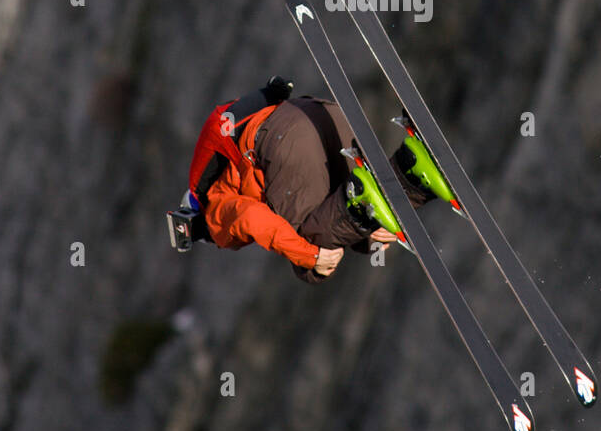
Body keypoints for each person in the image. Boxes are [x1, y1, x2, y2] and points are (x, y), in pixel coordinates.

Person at [183, 78, 434, 284]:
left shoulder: (213, 211)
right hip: (324, 113)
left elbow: (250, 218)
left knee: (310, 249)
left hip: (286, 139)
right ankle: (414, 170)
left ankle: (400, 180)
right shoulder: (227, 169)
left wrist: (310, 256)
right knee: (363, 230)